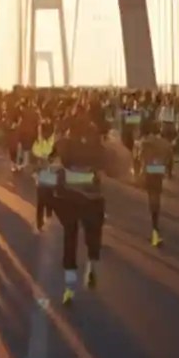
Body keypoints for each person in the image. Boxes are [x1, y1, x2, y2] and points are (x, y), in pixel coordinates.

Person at [55, 113, 108, 305]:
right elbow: (105, 165)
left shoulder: (64, 144)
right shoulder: (96, 146)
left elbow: (57, 160)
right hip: (93, 197)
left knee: (70, 237)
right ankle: (91, 267)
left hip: (69, 197)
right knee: (93, 234)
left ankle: (69, 287)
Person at [135, 118, 174, 248]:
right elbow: (169, 155)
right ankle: (155, 226)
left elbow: (141, 158)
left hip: (150, 170)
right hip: (159, 169)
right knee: (155, 196)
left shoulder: (144, 142)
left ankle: (155, 230)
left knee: (152, 197)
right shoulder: (164, 142)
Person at [29, 120, 59, 232]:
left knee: (42, 198)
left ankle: (40, 221)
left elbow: (34, 159)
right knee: (47, 195)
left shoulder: (39, 142)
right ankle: (46, 215)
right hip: (47, 173)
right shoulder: (50, 143)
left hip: (43, 173)